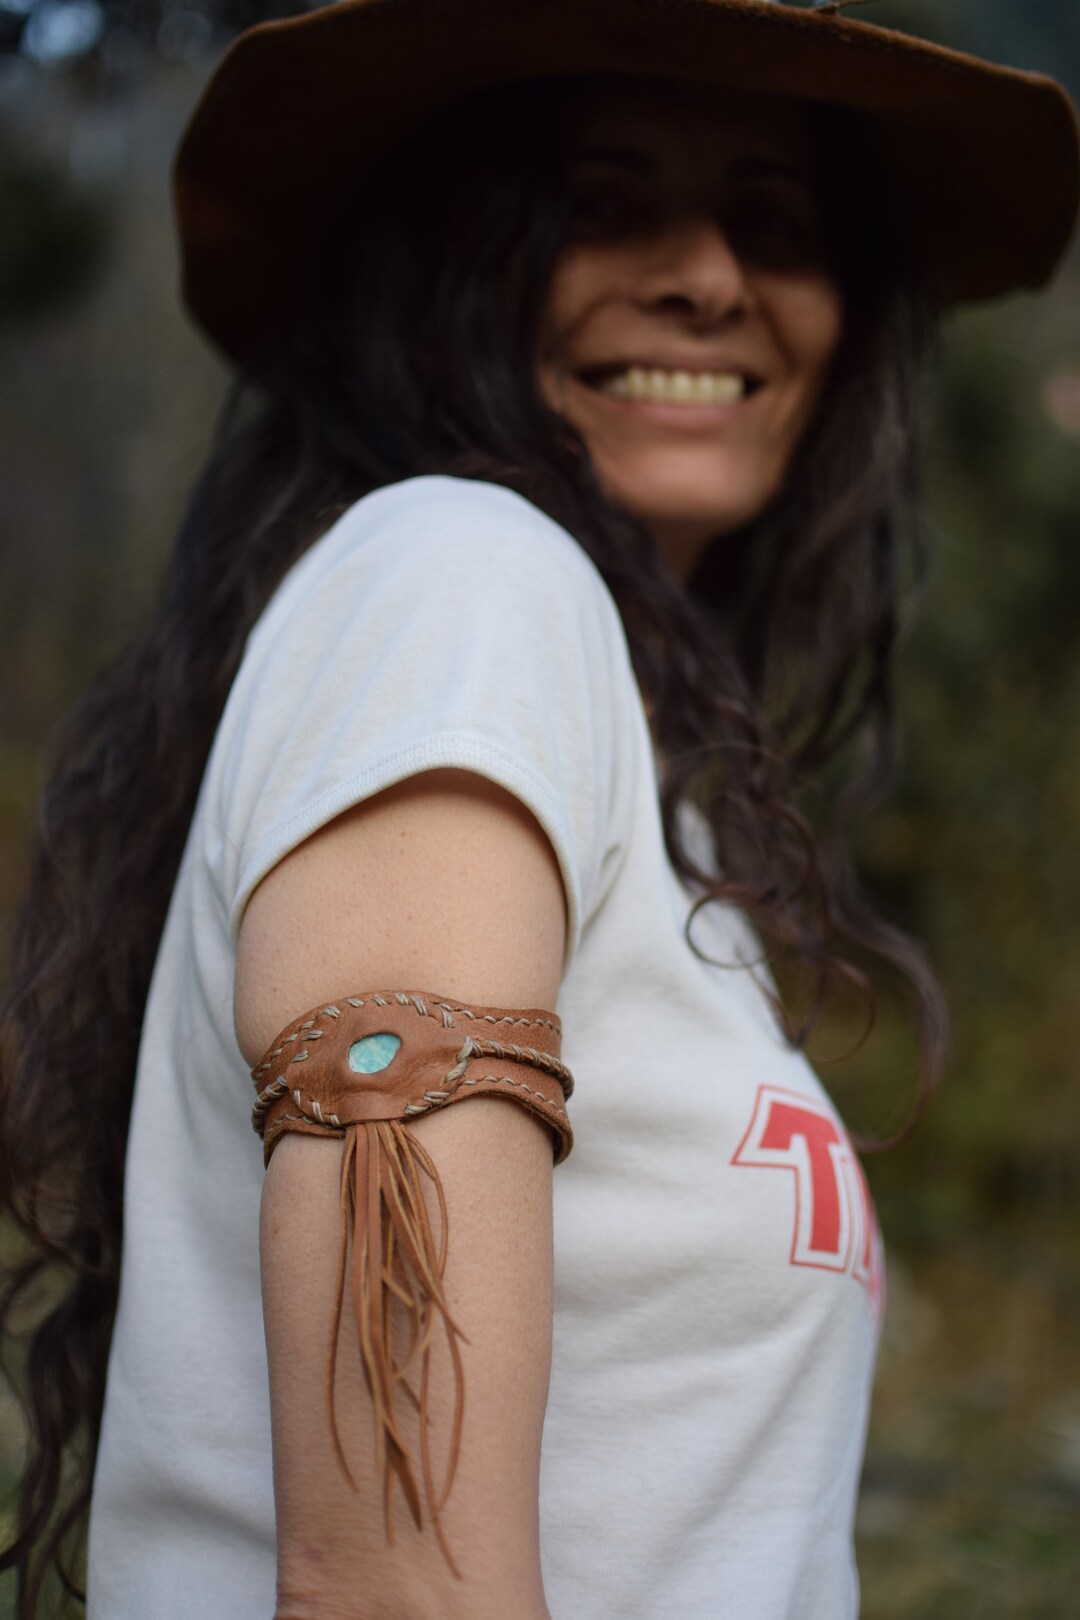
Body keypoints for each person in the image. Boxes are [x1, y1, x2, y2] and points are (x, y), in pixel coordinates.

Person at [1, 2, 1076, 1617]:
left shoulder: (639, 784)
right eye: (603, 201)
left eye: (775, 220)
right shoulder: (463, 584)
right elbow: (388, 1582)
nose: (708, 273)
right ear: (445, 269)